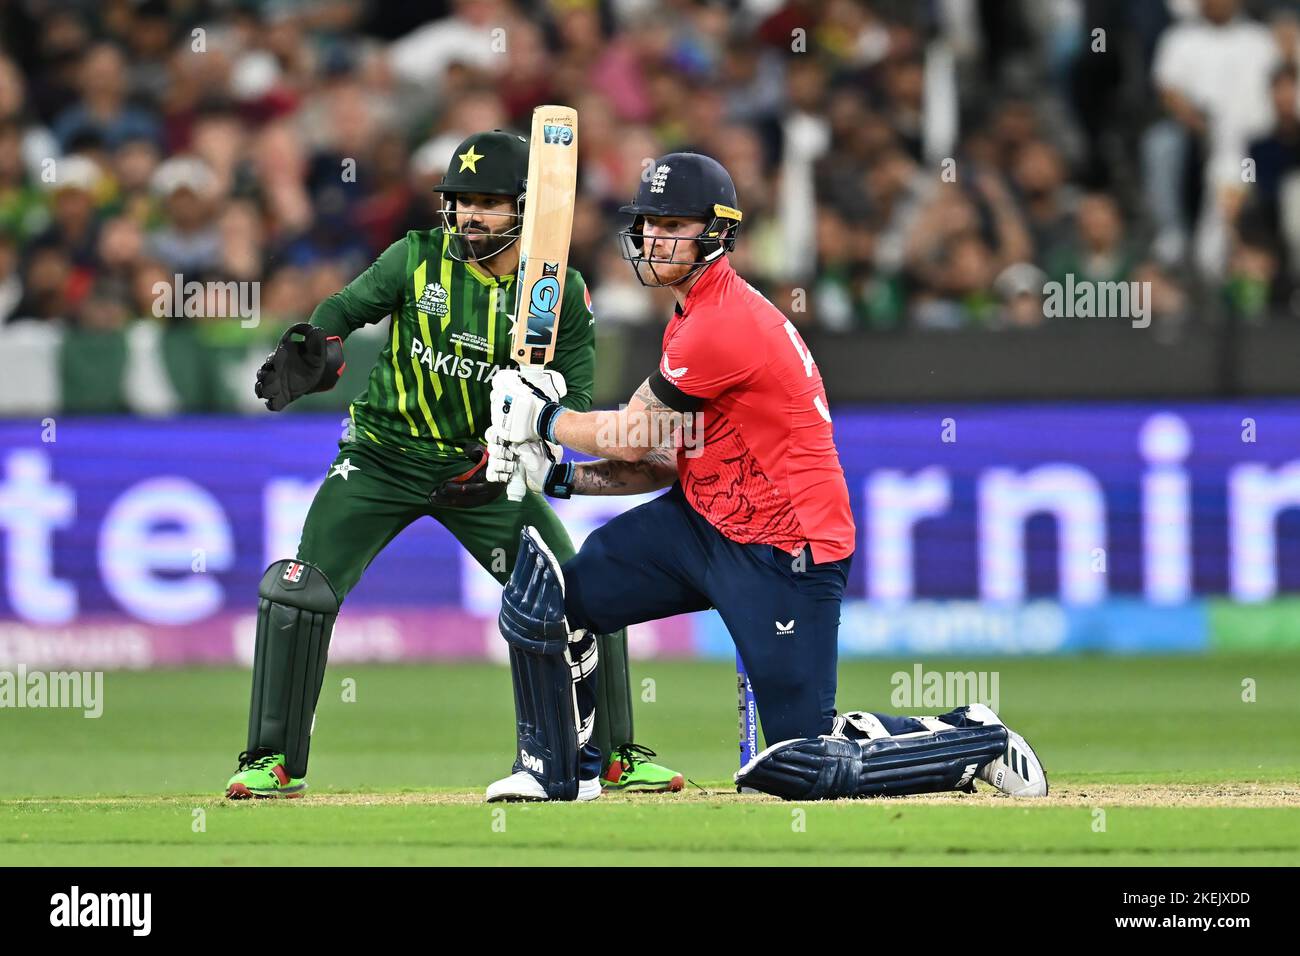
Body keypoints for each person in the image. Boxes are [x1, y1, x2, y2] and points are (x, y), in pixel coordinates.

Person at [484, 152, 1048, 800]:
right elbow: (663, 458)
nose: (655, 238)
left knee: (797, 765)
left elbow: (635, 432)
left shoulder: (723, 322)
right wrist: (558, 478)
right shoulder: (690, 314)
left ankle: (973, 740)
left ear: (718, 233)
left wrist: (543, 417)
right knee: (556, 602)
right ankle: (564, 772)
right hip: (699, 523)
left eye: (675, 224)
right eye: (649, 223)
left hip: (787, 549)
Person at [223, 129, 682, 799]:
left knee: (581, 591)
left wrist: (520, 440)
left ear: (527, 208)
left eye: (488, 203)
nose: (470, 216)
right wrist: (319, 340)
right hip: (381, 457)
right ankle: (273, 763)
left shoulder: (561, 294)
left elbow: (575, 404)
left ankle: (612, 755)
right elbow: (344, 310)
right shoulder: (415, 257)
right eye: (461, 201)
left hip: (484, 476)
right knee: (299, 591)